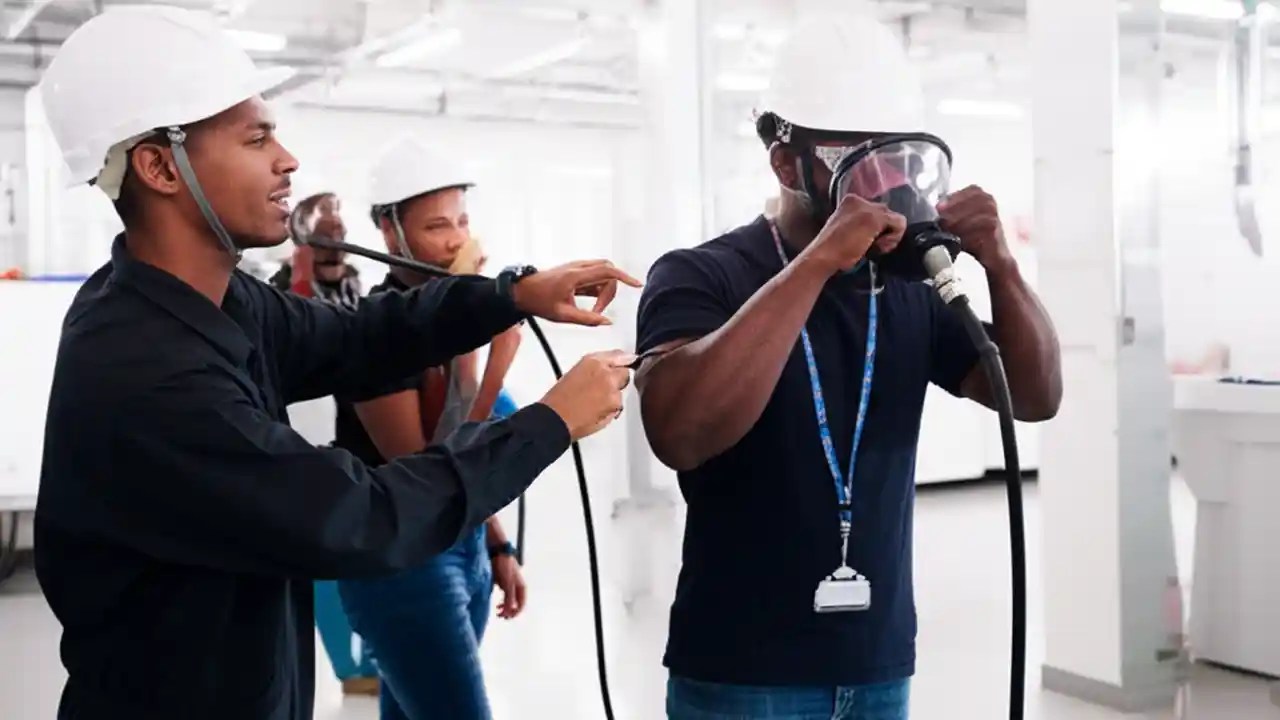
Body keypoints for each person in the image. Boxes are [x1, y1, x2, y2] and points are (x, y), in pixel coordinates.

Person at [33, 7, 640, 719]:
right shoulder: (146, 371)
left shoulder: (217, 303)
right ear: (161, 166)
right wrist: (548, 424)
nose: (287, 159)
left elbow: (358, 337)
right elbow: (359, 516)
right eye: (257, 138)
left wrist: (511, 295)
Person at [634, 10, 1061, 720]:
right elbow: (680, 431)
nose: (886, 181)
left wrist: (1005, 268)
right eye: (855, 160)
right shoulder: (699, 276)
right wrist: (820, 260)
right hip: (743, 673)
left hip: (876, 662)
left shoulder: (908, 291)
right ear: (784, 162)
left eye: (898, 159)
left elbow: (1037, 395)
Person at [335, 138, 527, 720]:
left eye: (462, 223)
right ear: (390, 233)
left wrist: (497, 545)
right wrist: (487, 360)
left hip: (463, 548)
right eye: (437, 226)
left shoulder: (447, 315)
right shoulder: (374, 336)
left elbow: (466, 480)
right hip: (406, 561)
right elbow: (431, 470)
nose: (456, 243)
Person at [268, 192, 381, 697]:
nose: (336, 242)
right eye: (325, 234)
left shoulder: (356, 287)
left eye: (340, 232)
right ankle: (349, 669)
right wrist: (300, 274)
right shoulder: (280, 291)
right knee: (323, 567)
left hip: (352, 438)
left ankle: (368, 659)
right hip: (304, 442)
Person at [269, 191, 362, 309]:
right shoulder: (280, 292)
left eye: (336, 210)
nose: (336, 220)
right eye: (323, 209)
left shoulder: (352, 284)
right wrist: (301, 287)